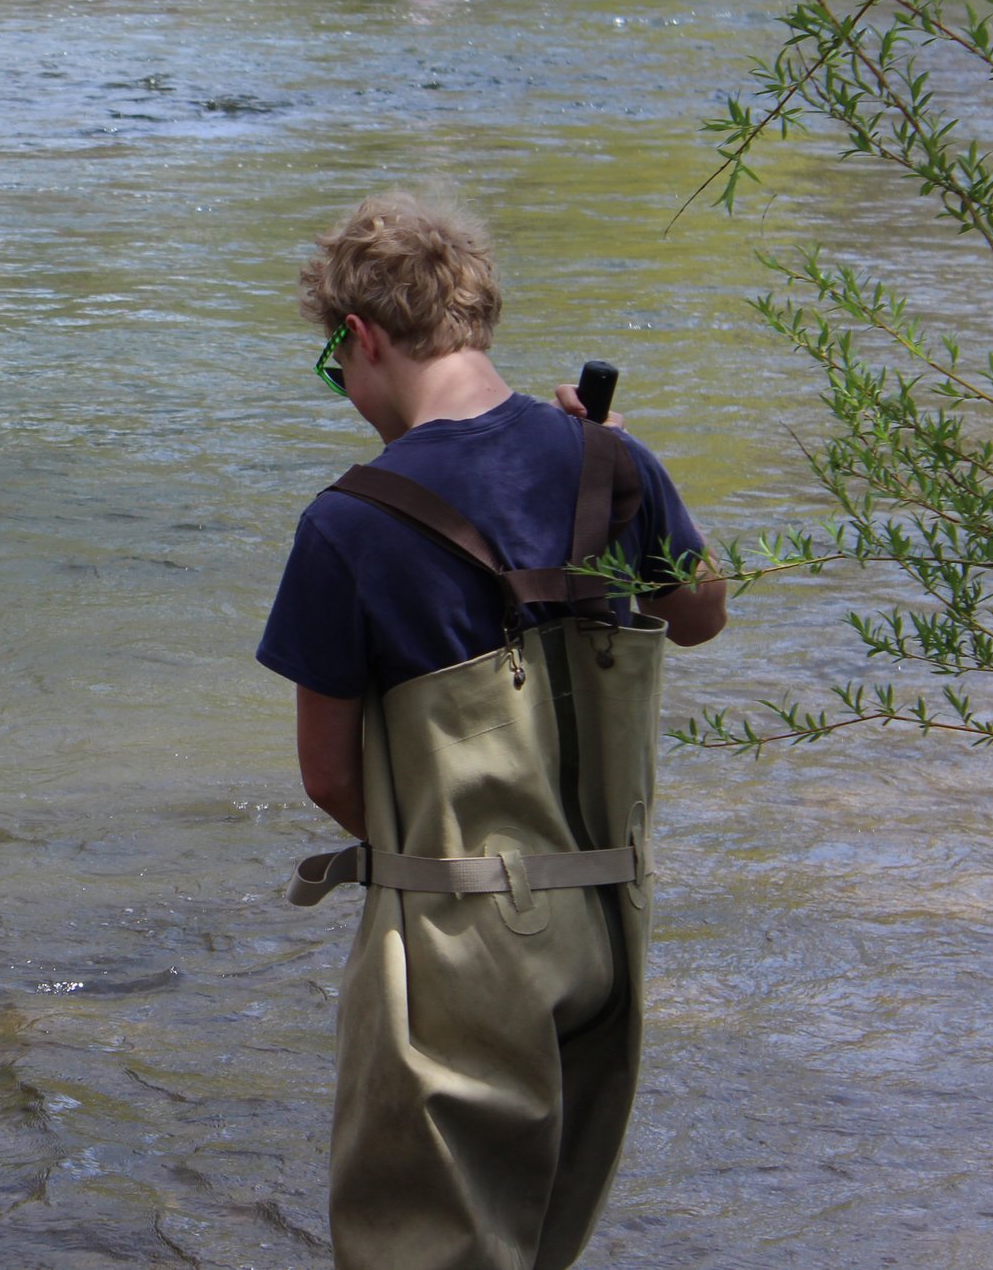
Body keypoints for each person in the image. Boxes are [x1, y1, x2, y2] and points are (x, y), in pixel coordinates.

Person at [256, 195, 727, 1270]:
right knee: (542, 1238)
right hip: (609, 923)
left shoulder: (349, 521)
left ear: (361, 337)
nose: (346, 392)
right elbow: (700, 613)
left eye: (336, 367)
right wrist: (629, 464)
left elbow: (329, 775)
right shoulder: (610, 463)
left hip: (462, 945)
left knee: (419, 1247)